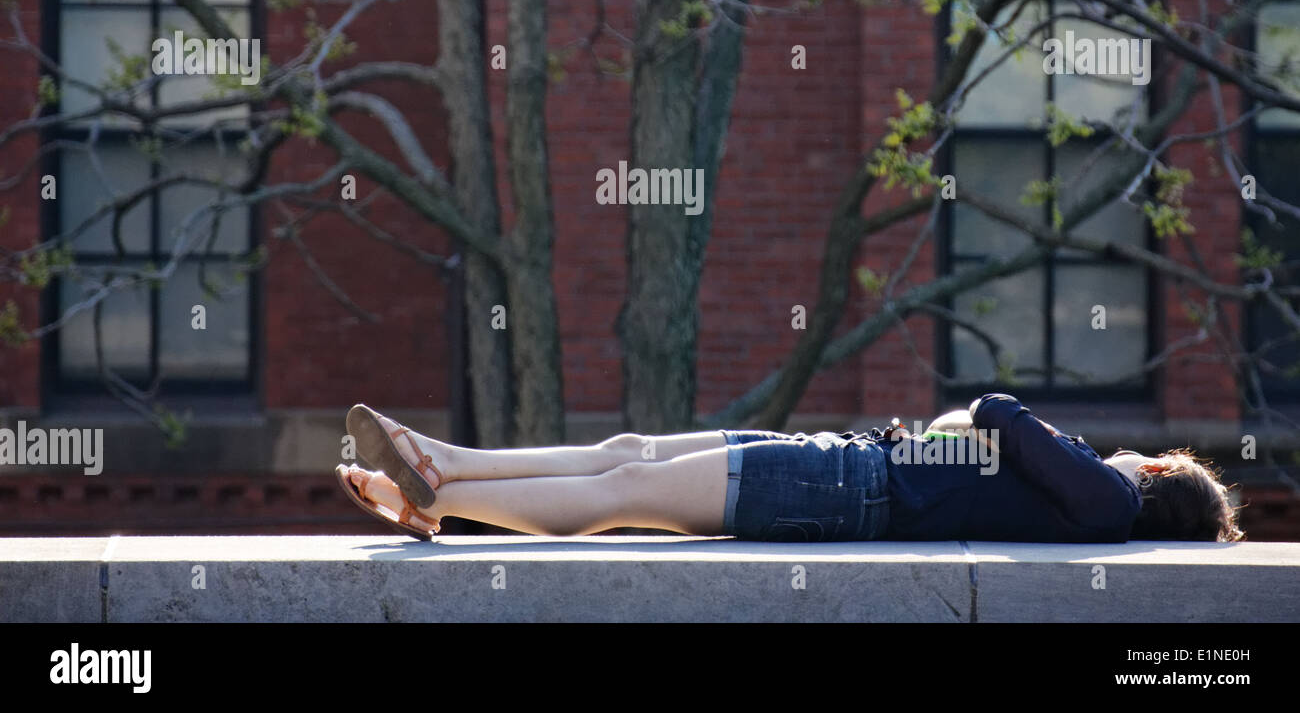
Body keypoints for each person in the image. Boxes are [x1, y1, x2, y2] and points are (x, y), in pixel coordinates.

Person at [334, 394, 1244, 543]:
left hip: (847, 491)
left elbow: (1000, 413)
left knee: (623, 494)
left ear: (1162, 471)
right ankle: (440, 471)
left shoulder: (1112, 494)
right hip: (849, 472)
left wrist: (962, 420)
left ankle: (442, 492)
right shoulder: (1098, 499)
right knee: (629, 456)